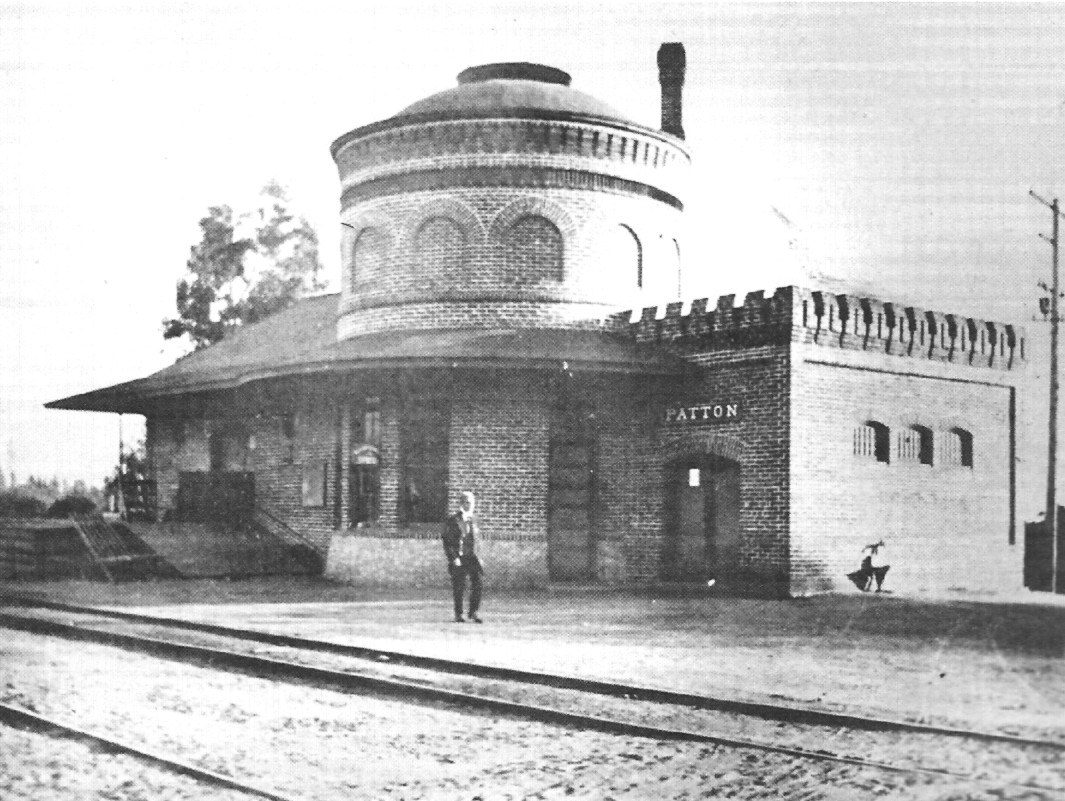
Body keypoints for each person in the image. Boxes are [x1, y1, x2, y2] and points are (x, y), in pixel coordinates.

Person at [442, 490, 483, 623]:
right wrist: (454, 558)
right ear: (461, 504)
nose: (470, 505)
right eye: (466, 502)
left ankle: (473, 612)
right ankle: (458, 614)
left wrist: (480, 557)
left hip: (473, 558)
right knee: (459, 586)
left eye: (472, 502)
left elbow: (478, 540)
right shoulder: (453, 520)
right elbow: (447, 541)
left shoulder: (475, 519)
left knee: (478, 584)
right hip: (459, 558)